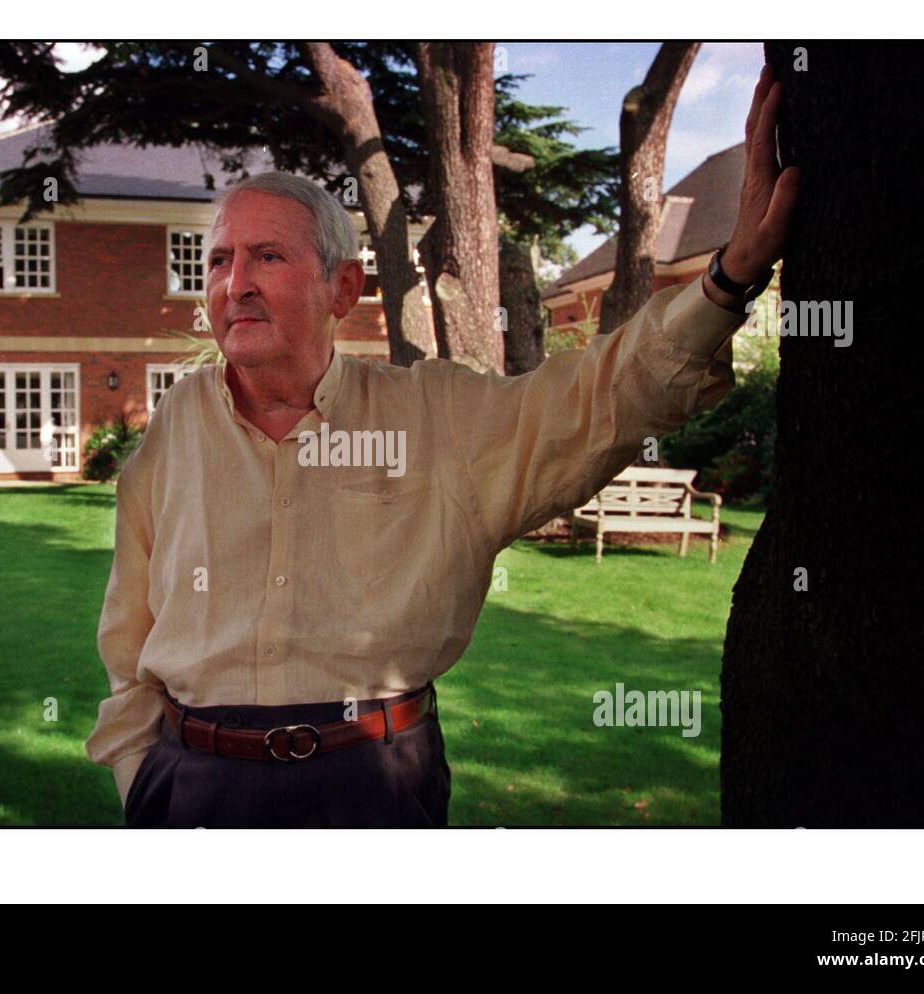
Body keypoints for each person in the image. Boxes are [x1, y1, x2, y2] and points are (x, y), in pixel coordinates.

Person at [85, 65, 799, 827]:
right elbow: (129, 633)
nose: (236, 283)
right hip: (193, 793)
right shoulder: (177, 425)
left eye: (267, 256)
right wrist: (143, 775)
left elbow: (598, 400)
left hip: (370, 792)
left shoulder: (438, 418)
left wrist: (729, 277)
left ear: (342, 288)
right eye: (220, 260)